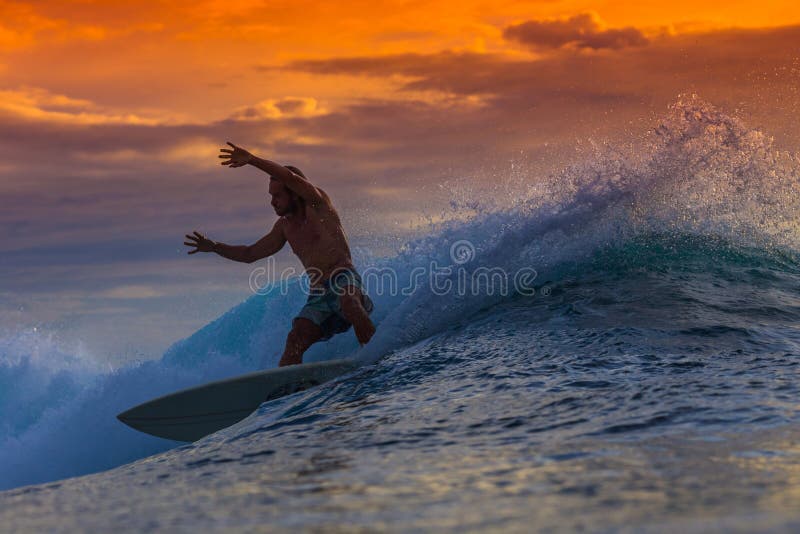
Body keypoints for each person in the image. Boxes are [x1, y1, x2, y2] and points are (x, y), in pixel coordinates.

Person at [184, 142, 376, 366]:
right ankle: (289, 392)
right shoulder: (284, 227)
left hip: (344, 278)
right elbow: (250, 253)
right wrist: (214, 247)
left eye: (278, 195)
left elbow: (292, 178)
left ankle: (376, 360)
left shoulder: (318, 206)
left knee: (349, 302)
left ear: (294, 193)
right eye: (271, 195)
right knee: (295, 338)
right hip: (318, 294)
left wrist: (252, 160)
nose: (272, 202)